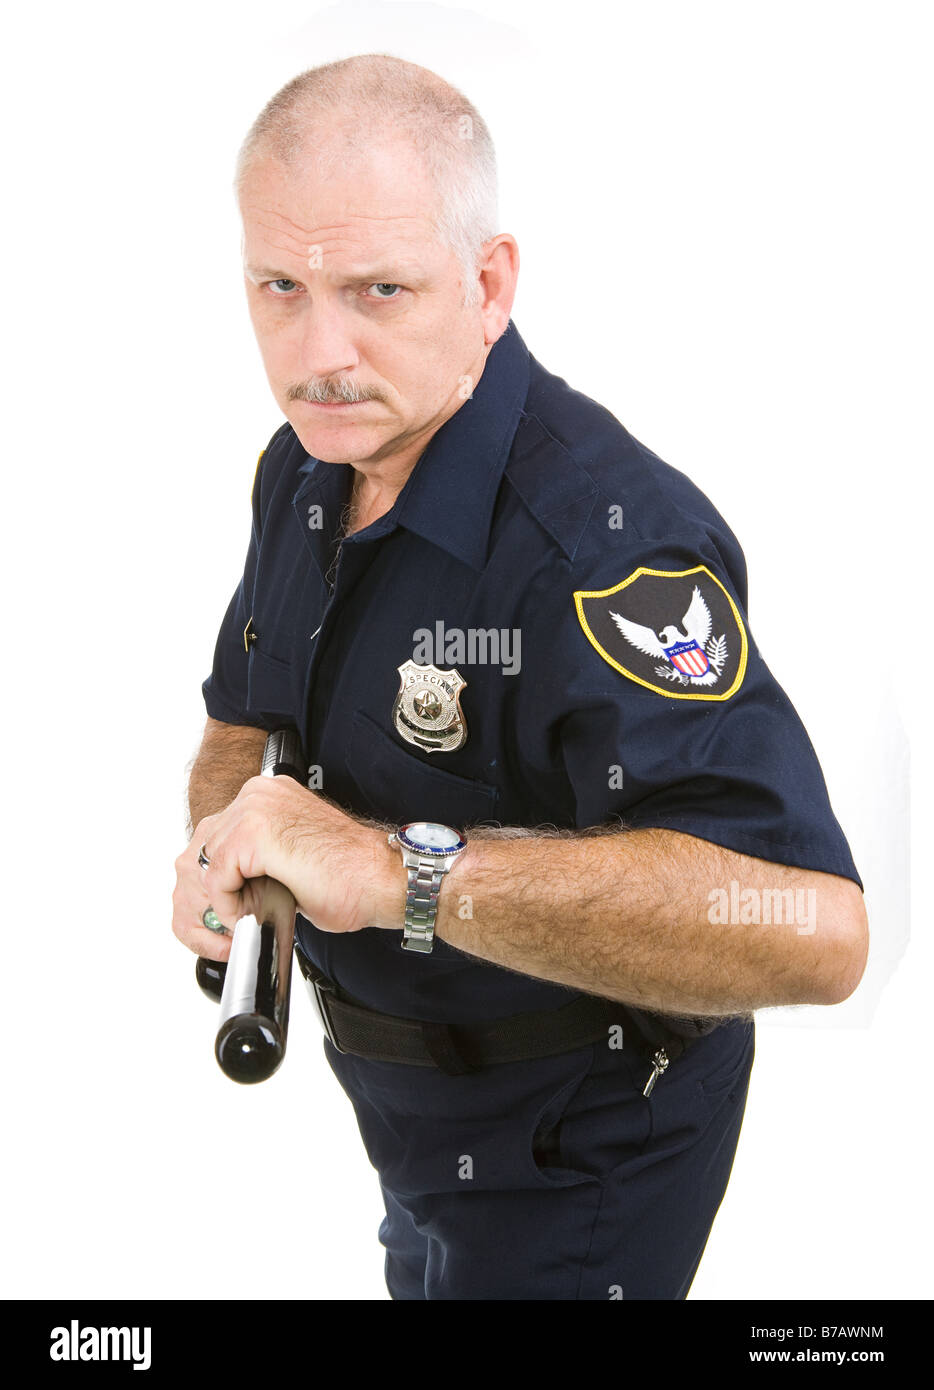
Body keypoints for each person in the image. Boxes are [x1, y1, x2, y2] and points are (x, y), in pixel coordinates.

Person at [172, 53, 868, 1300]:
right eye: (279, 286)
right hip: (407, 1118)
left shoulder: (602, 551)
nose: (317, 350)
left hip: (579, 1148)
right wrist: (225, 853)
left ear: (487, 284)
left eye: (377, 289)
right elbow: (246, 712)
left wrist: (400, 872)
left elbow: (811, 930)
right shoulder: (308, 468)